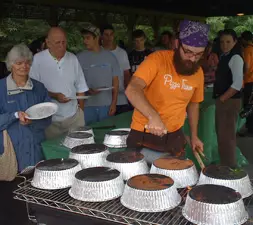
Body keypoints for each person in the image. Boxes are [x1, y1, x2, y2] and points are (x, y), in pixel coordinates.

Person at [125, 20, 209, 160]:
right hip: (143, 133)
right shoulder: (157, 60)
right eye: (188, 52)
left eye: (199, 54)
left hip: (175, 135)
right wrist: (153, 116)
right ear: (177, 44)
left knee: (176, 179)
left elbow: (194, 104)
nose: (193, 59)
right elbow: (132, 89)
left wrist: (194, 136)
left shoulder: (198, 72)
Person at [30, 27, 88, 139]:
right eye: (57, 42)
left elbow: (81, 87)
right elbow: (34, 90)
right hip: (49, 121)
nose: (62, 46)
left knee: (79, 149)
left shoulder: (73, 58)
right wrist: (54, 95)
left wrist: (81, 111)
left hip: (74, 118)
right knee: (53, 152)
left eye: (64, 42)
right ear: (48, 43)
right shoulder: (37, 60)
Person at [77, 24, 120, 125]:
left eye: (88, 38)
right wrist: (87, 90)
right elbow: (75, 83)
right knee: (88, 136)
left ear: (97, 38)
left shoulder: (110, 57)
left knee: (107, 135)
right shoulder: (78, 58)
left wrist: (114, 103)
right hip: (86, 107)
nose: (85, 41)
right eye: (83, 38)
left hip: (106, 105)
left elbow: (116, 82)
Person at [213, 29, 244, 167]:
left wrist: (222, 99)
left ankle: (230, 169)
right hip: (226, 100)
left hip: (229, 101)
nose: (224, 45)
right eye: (222, 42)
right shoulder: (225, 56)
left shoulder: (236, 58)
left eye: (228, 42)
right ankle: (226, 166)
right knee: (223, 137)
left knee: (227, 138)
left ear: (235, 42)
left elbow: (237, 84)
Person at [101, 24, 132, 114]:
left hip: (121, 98)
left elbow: (126, 74)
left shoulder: (122, 53)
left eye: (111, 34)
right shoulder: (98, 53)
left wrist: (130, 92)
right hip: (104, 99)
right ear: (101, 36)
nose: (109, 37)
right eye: (106, 35)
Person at [240, 31, 253, 137]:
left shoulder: (247, 49)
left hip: (249, 81)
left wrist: (242, 76)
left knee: (248, 106)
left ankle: (249, 129)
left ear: (244, 39)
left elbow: (247, 66)